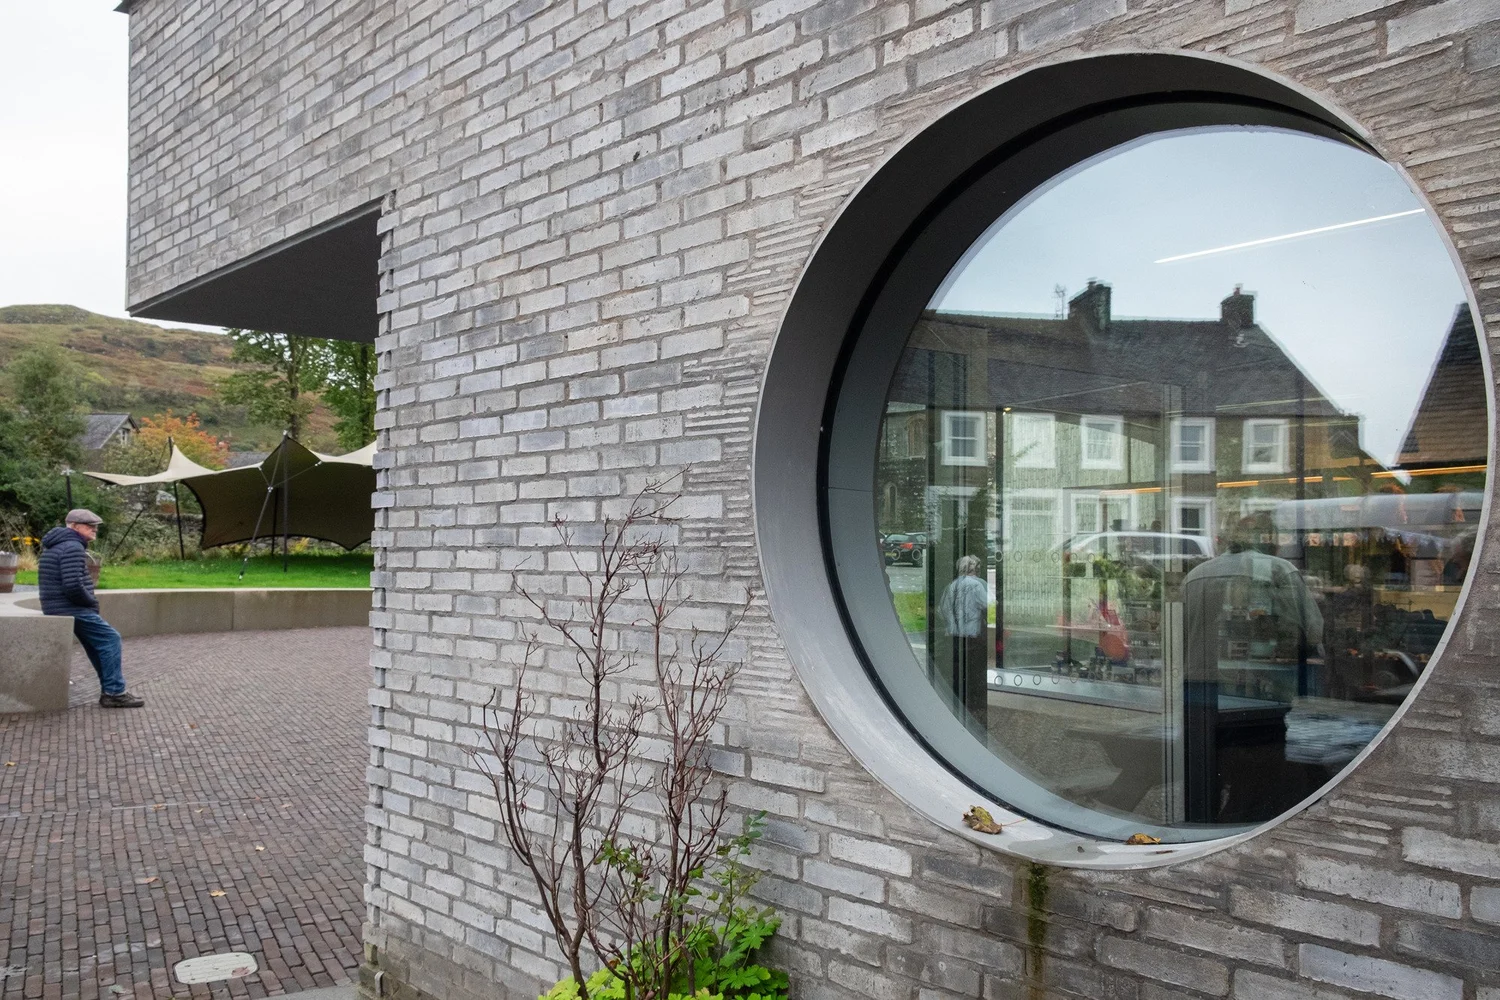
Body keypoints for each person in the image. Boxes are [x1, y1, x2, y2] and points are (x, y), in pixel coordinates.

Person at [38, 509, 145, 708]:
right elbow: (72, 585)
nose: (94, 529)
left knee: (98, 645)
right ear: (74, 526)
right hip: (71, 608)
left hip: (58, 607)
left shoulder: (56, 545)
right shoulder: (72, 547)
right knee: (110, 638)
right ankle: (114, 692)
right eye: (89, 525)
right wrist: (90, 602)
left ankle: (111, 691)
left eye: (95, 525)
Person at [937, 554, 990, 728]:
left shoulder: (951, 586)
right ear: (974, 568)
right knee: (974, 670)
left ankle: (958, 701)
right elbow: (988, 604)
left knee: (959, 668)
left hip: (953, 634)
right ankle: (973, 705)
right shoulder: (977, 584)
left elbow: (942, 610)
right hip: (972, 636)